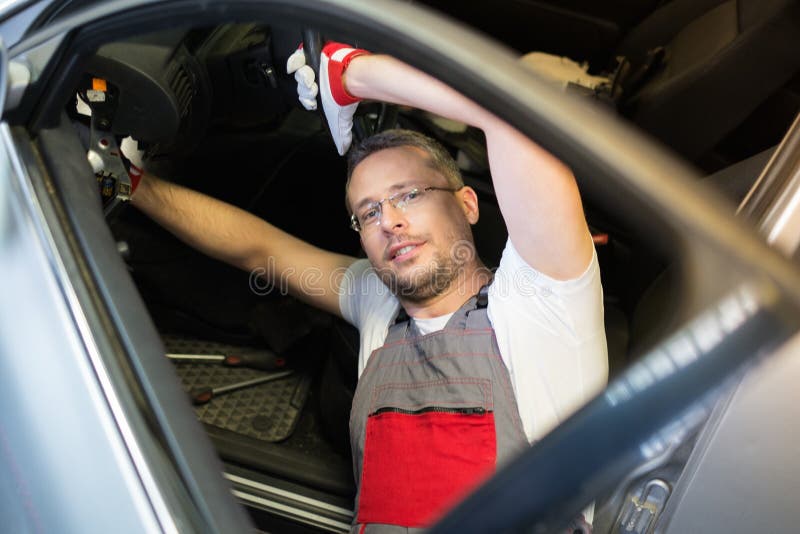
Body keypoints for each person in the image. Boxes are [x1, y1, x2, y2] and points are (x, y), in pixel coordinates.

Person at [130, 43, 608, 532]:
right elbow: (258, 249)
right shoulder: (377, 302)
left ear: (467, 203)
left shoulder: (542, 300)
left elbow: (512, 113)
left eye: (409, 195)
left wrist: (354, 75)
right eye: (369, 212)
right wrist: (130, 183)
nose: (390, 223)